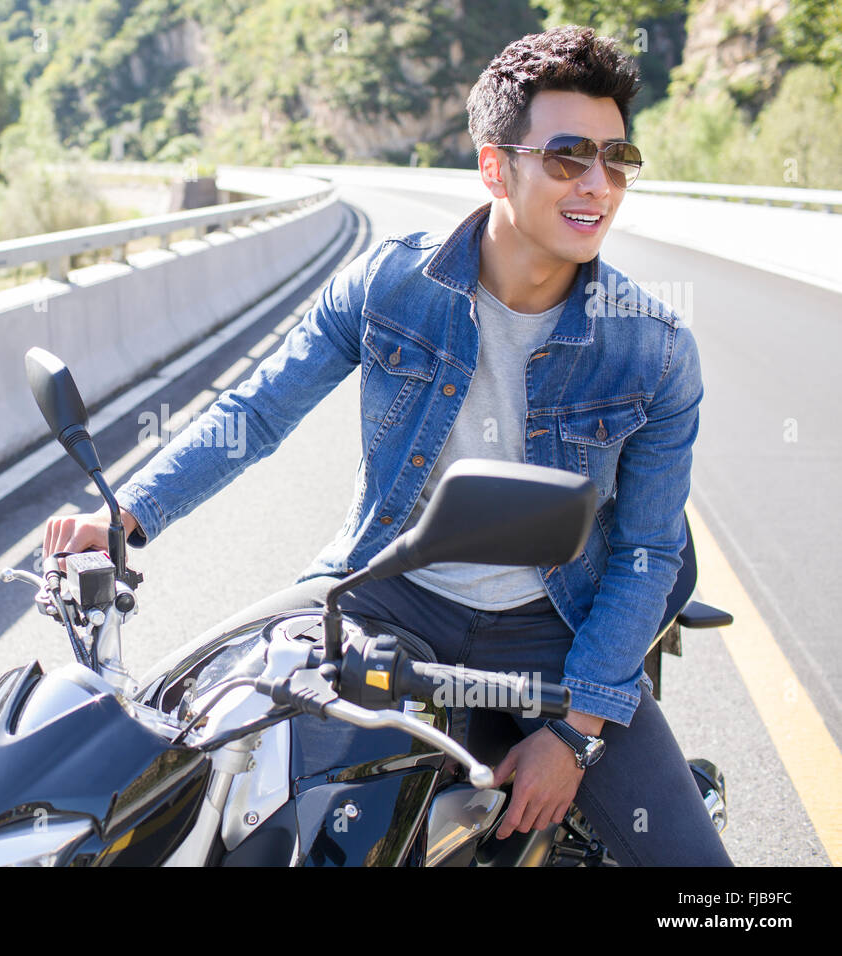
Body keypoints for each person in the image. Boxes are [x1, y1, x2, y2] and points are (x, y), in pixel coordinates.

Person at [42, 25, 732, 866]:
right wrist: (128, 515)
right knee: (268, 804)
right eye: (567, 157)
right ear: (494, 167)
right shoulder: (388, 285)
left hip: (557, 628)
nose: (597, 184)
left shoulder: (654, 350)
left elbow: (645, 555)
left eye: (616, 158)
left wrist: (578, 732)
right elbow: (257, 411)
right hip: (387, 594)